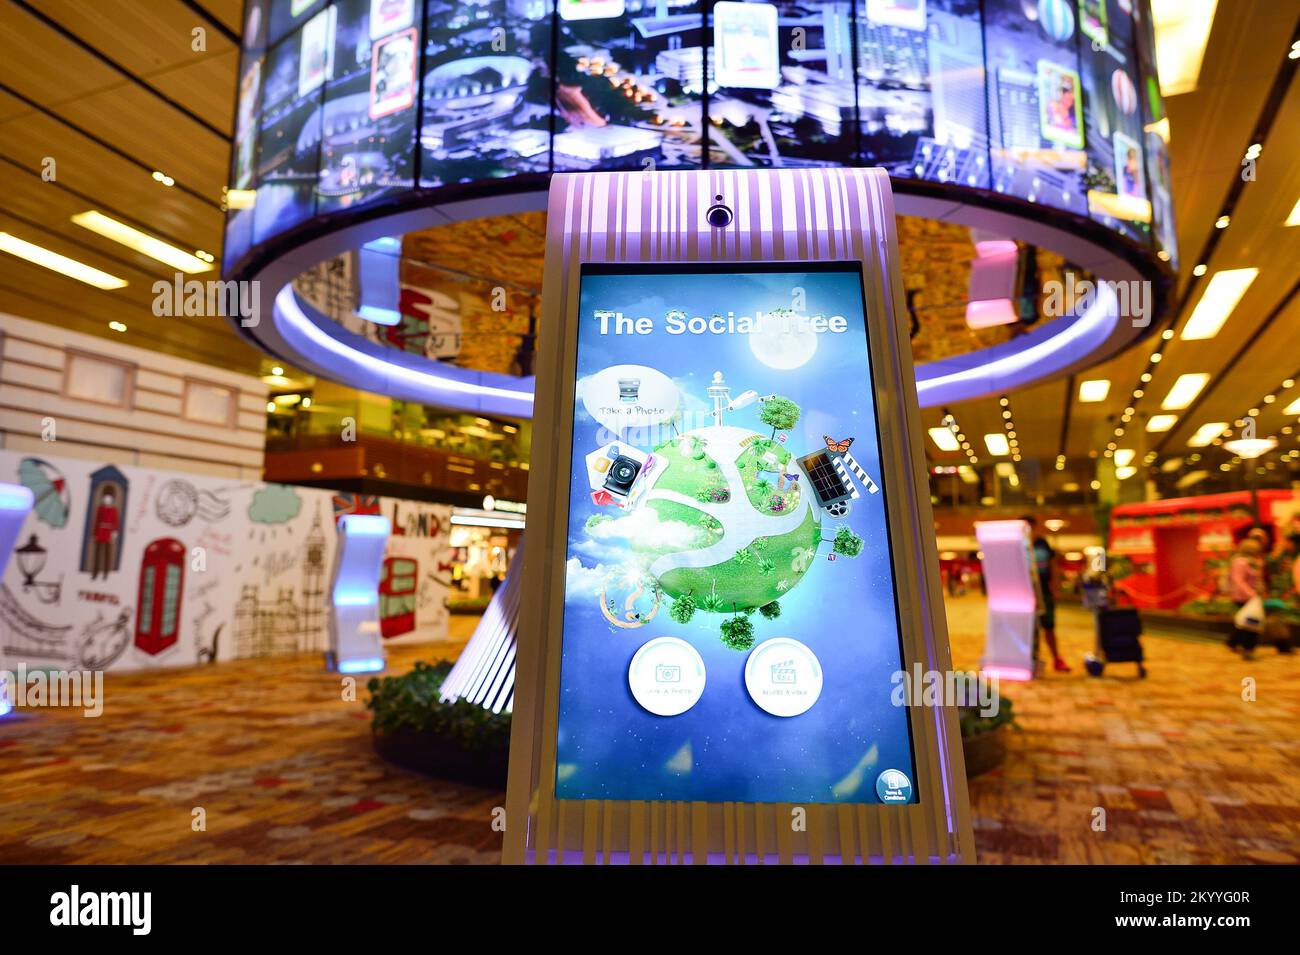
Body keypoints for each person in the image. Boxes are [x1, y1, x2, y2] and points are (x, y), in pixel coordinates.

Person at [1025, 516, 1069, 672]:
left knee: (1048, 626)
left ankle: (1057, 658)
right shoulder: (1018, 544)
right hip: (1025, 593)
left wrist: (1055, 587)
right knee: (1028, 629)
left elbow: (1053, 566)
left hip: (1044, 591)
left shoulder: (1042, 544)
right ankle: (1029, 660)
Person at [1228, 535, 1266, 659]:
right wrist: (1251, 594)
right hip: (1242, 598)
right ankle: (1248, 649)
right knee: (1250, 624)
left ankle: (1232, 642)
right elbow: (1238, 580)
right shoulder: (1240, 562)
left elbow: (1258, 579)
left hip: (1253, 598)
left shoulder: (1255, 562)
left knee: (1245, 623)